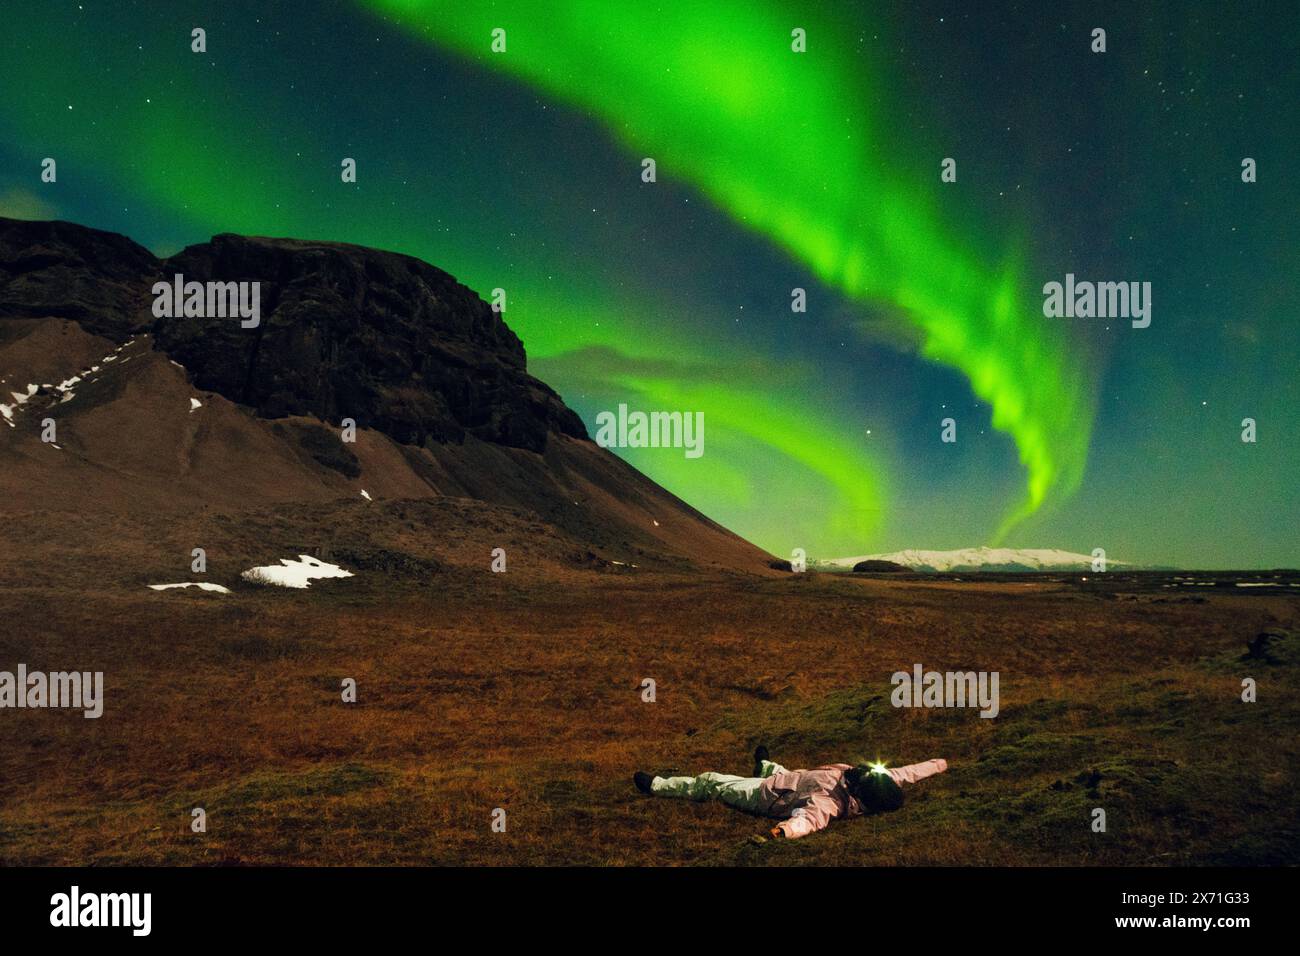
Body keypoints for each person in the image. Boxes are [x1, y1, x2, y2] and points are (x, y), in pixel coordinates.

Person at [633, 745, 948, 839]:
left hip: (765, 795)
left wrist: (783, 831)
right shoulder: (878, 782)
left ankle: (658, 785)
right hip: (792, 780)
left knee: (713, 781)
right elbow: (908, 772)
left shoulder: (829, 802)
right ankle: (766, 765)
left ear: (860, 791)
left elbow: (808, 820)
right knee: (783, 773)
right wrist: (939, 764)